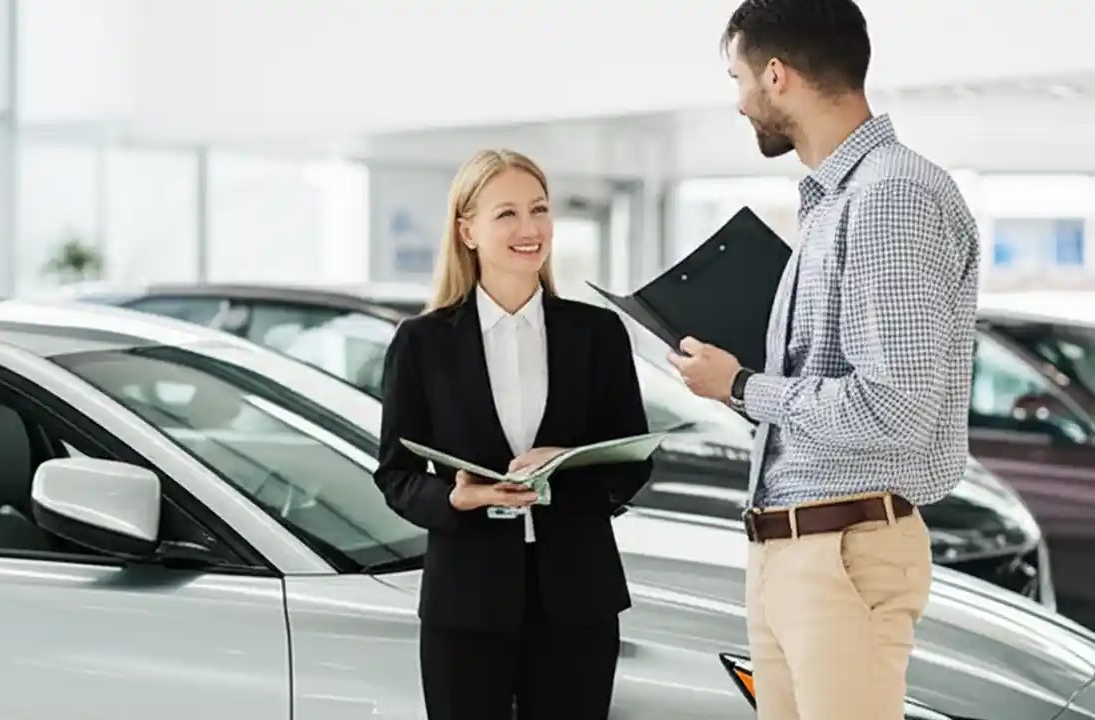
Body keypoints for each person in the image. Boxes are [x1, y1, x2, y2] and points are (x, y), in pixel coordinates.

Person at [666, 1, 981, 719]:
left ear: (776, 76)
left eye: (739, 78)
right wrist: (741, 383)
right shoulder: (836, 202)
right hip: (797, 548)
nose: (739, 101)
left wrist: (744, 386)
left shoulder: (888, 196)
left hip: (841, 555)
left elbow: (894, 410)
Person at [373, 148, 652, 720]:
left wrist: (569, 462)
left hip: (579, 598)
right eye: (507, 214)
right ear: (467, 230)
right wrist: (456, 496)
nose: (530, 229)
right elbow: (396, 476)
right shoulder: (423, 343)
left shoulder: (597, 333)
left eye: (540, 210)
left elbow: (633, 461)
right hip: (466, 603)